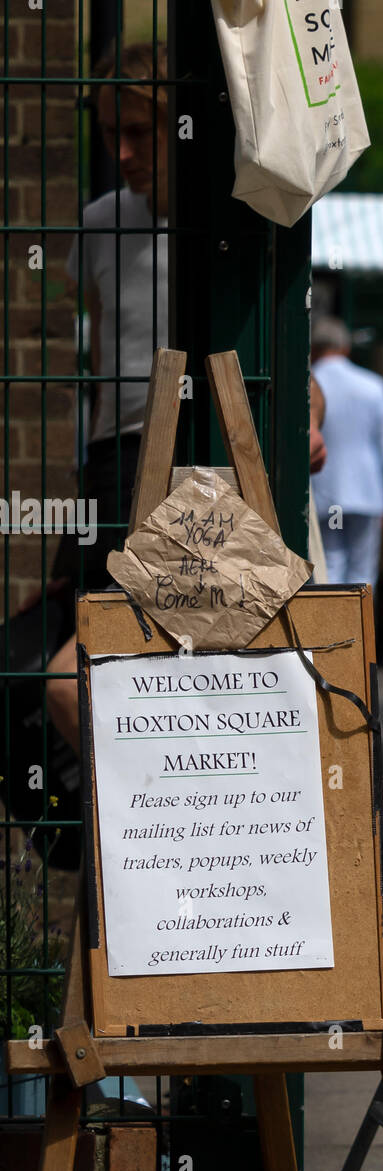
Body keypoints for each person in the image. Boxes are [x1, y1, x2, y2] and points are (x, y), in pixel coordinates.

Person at [46, 41, 169, 747]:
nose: (122, 153)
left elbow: (290, 367)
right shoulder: (97, 223)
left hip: (190, 469)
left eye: (140, 132)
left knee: (90, 680)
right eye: (110, 134)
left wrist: (312, 418)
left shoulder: (231, 227)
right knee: (87, 679)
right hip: (110, 463)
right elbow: (95, 353)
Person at [310, 317, 383, 588]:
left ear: (314, 348)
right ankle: (359, 630)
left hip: (323, 488)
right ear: (345, 347)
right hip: (366, 491)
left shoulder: (308, 384)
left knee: (329, 566)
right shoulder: (374, 385)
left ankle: (331, 630)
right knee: (363, 572)